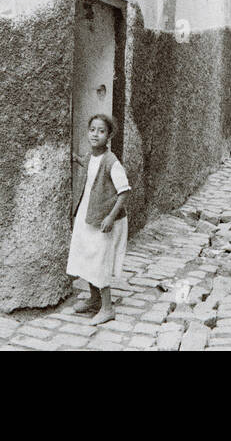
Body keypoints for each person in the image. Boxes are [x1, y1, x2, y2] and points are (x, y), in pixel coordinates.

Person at [66, 112, 131, 324]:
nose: (95, 134)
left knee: (99, 260)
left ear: (109, 136)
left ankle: (107, 308)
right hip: (88, 214)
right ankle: (94, 299)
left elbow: (124, 192)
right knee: (87, 255)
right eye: (92, 130)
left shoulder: (112, 162)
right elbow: (88, 164)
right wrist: (75, 158)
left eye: (101, 131)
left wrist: (110, 217)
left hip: (104, 218)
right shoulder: (91, 156)